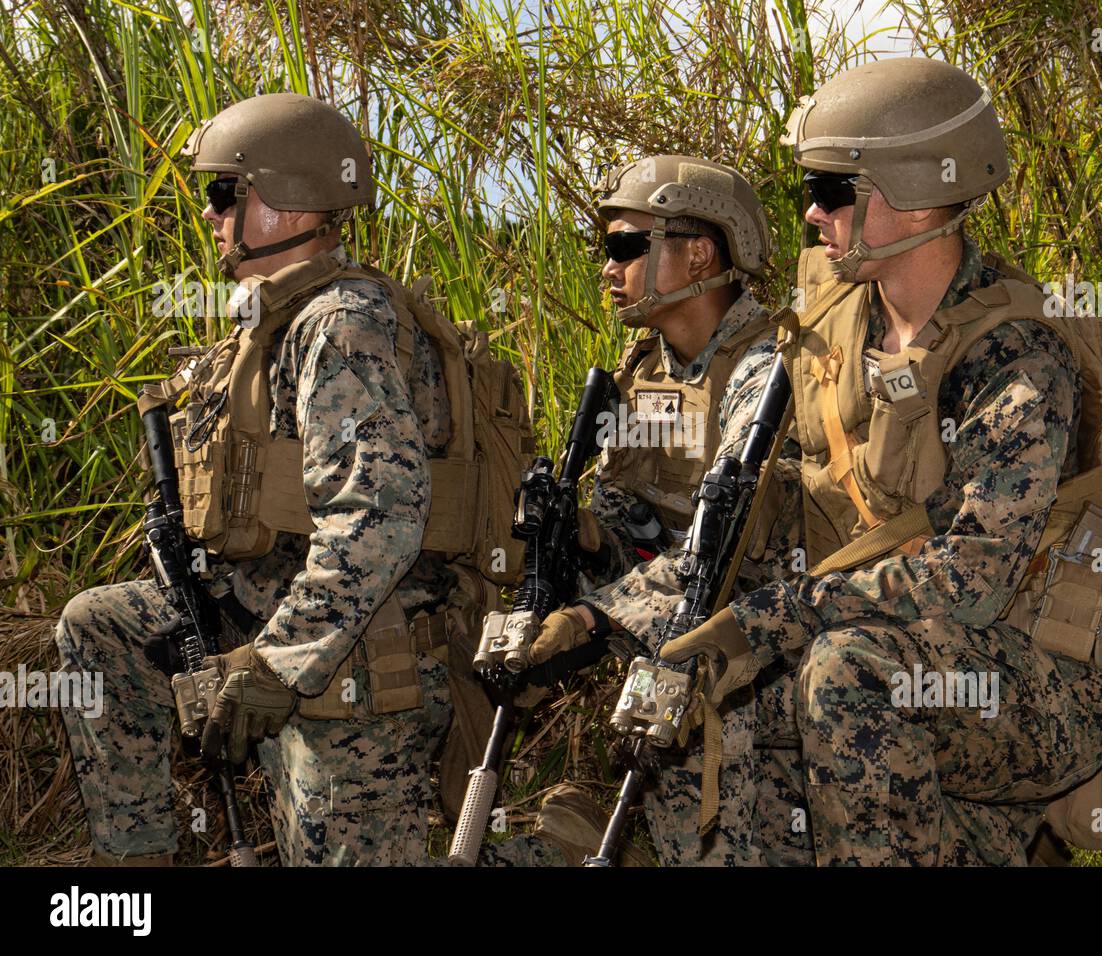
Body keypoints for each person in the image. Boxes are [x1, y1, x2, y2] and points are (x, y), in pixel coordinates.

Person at [658, 57, 1102, 865]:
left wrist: (770, 618)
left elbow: (971, 580)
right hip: (915, 641)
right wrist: (636, 618)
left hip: (1045, 675)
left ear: (905, 192)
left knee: (846, 670)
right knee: (704, 685)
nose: (811, 216)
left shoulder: (1017, 357)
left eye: (827, 190)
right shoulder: (835, 330)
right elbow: (782, 508)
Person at [55, 92, 472, 865]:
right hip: (257, 601)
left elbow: (377, 522)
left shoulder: (343, 325)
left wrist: (275, 665)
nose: (208, 215)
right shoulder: (269, 321)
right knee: (99, 624)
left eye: (222, 194)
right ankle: (137, 860)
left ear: (284, 201)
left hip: (357, 640)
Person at [488, 156, 814, 866]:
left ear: (699, 252)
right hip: (663, 621)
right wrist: (571, 539)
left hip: (763, 629)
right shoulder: (645, 370)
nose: (608, 267)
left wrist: (591, 619)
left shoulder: (768, 370)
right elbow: (632, 538)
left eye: (627, 246)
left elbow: (727, 550)